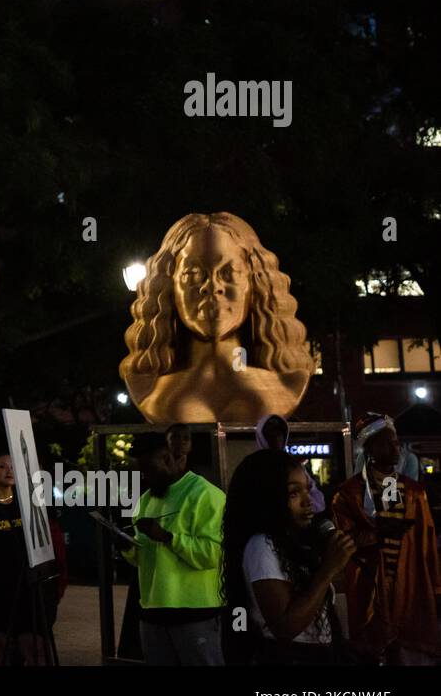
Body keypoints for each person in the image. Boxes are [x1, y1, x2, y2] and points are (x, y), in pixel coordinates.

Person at [120, 212, 312, 424]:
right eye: (193, 274)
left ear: (255, 283)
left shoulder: (290, 383)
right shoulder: (147, 388)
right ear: (169, 287)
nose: (212, 287)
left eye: (228, 272)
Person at [221, 449, 356, 664]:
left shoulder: (296, 542)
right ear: (267, 498)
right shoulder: (262, 545)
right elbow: (285, 626)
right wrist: (327, 569)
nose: (308, 501)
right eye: (294, 493)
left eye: (307, 489)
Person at [331, 414, 441, 664]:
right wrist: (378, 534)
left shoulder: (414, 492)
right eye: (388, 443)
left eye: (397, 443)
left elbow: (427, 542)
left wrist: (436, 587)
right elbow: (343, 541)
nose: (396, 449)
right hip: (370, 586)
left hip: (410, 583)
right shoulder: (348, 494)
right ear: (370, 448)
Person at [117, 430, 226, 665]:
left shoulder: (206, 495)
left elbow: (214, 555)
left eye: (148, 469)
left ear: (167, 459)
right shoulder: (146, 500)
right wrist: (126, 547)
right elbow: (141, 557)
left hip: (195, 614)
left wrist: (168, 537)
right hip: (152, 613)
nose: (144, 477)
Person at [0, 452, 63, 665]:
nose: (9, 471)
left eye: (12, 467)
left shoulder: (28, 504)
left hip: (28, 590)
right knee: (2, 650)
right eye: (2, 466)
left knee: (36, 649)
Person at [255, 414, 325, 512]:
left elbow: (318, 501)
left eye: (279, 434)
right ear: (262, 436)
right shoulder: (253, 468)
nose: (277, 439)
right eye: (270, 434)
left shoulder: (293, 466)